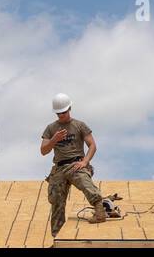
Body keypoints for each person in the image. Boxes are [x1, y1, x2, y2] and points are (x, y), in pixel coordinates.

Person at [40, 92, 105, 236]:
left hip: (76, 163)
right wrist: (54, 140)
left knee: (85, 182)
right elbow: (43, 151)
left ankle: (100, 211)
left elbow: (92, 145)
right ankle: (57, 237)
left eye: (63, 112)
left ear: (69, 108)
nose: (61, 115)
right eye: (58, 113)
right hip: (59, 167)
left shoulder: (79, 125)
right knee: (56, 201)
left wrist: (85, 161)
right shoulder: (51, 128)